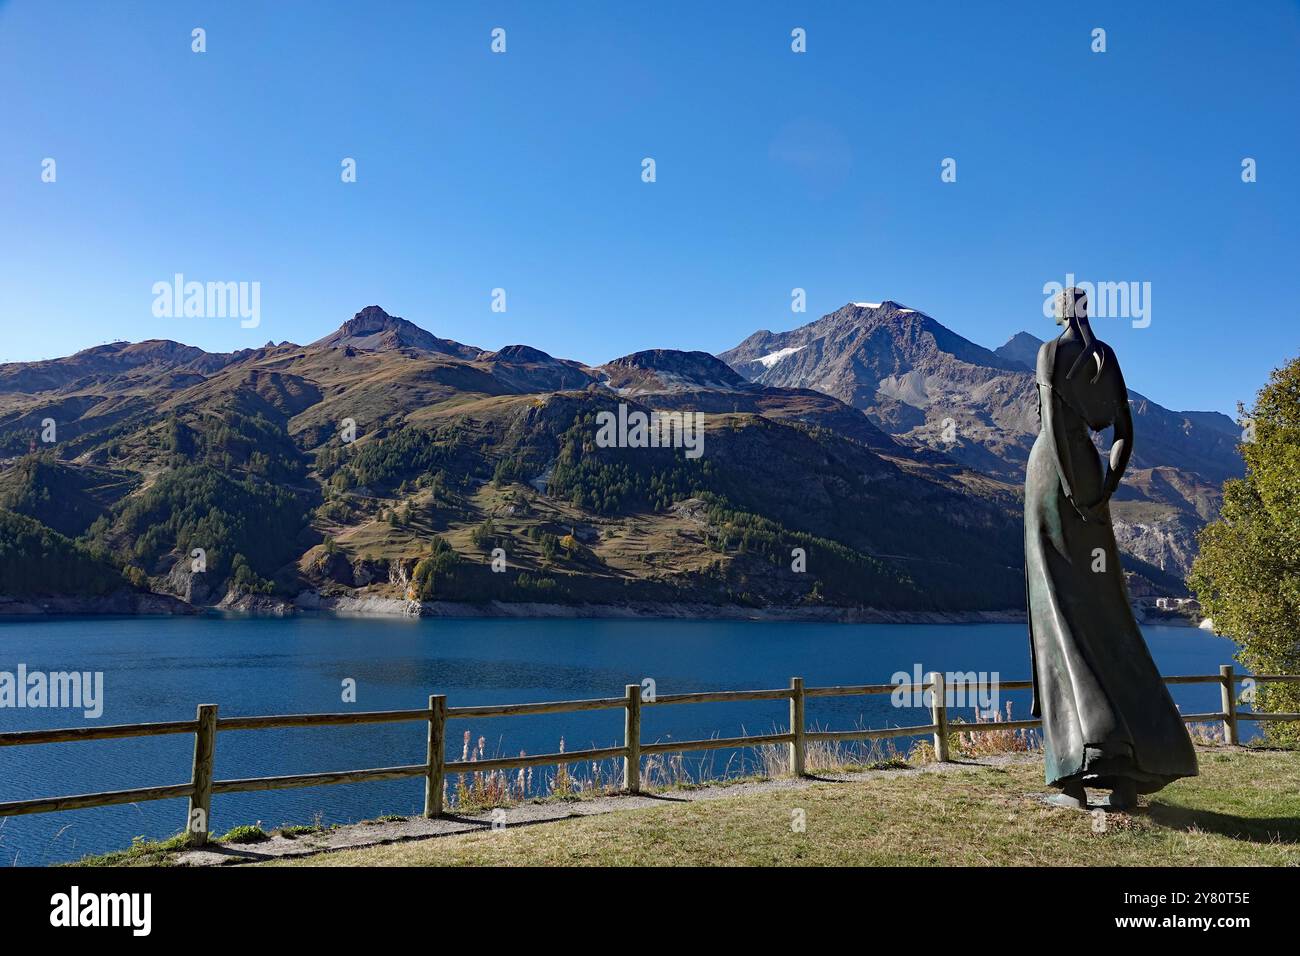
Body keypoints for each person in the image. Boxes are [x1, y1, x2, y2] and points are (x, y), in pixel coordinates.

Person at [1025, 288, 1198, 810]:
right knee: (1105, 611)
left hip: (1053, 479)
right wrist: (1105, 487)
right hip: (1091, 479)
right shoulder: (1106, 357)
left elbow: (1053, 426)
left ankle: (1077, 767)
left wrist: (1076, 492)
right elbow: (1124, 431)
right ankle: (1126, 764)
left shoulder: (1050, 353)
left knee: (1056, 613)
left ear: (1061, 311)